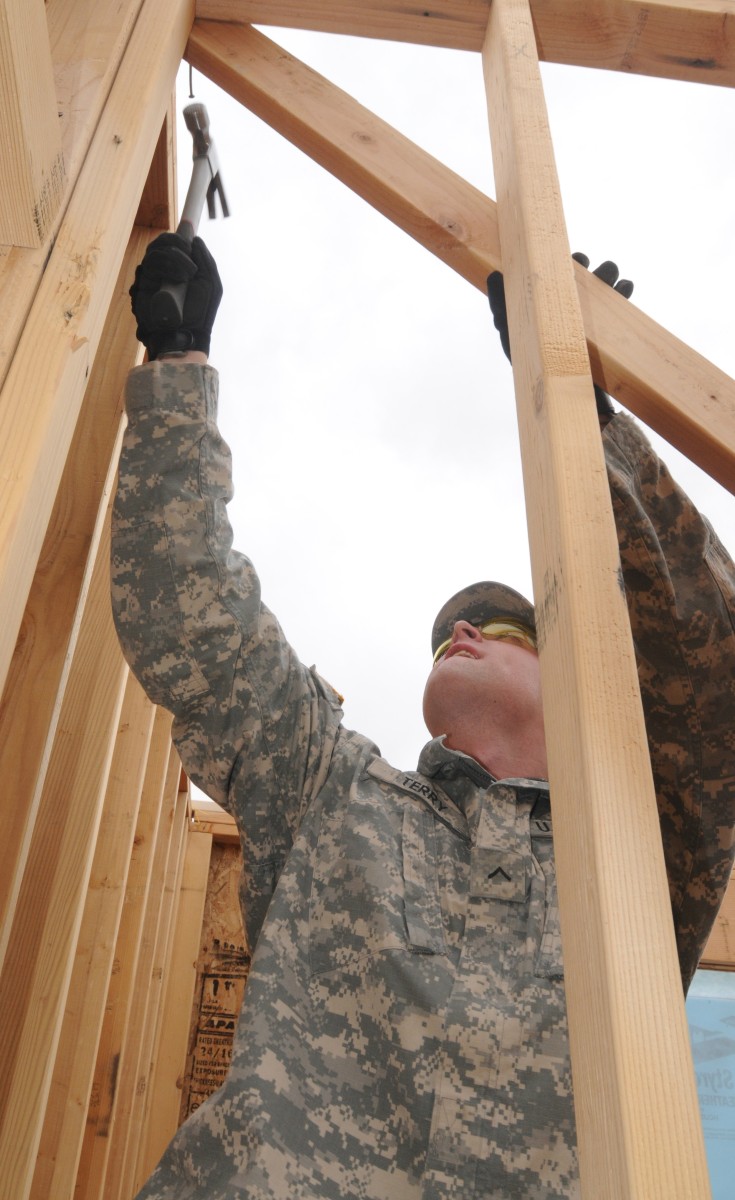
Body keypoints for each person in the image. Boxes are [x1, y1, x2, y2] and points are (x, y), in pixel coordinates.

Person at [112, 235, 735, 1199]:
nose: (460, 631)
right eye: (446, 632)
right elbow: (192, 617)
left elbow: (708, 660)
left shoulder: (634, 861)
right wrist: (176, 373)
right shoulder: (329, 785)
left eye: (499, 626)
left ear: (575, 677)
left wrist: (585, 424)